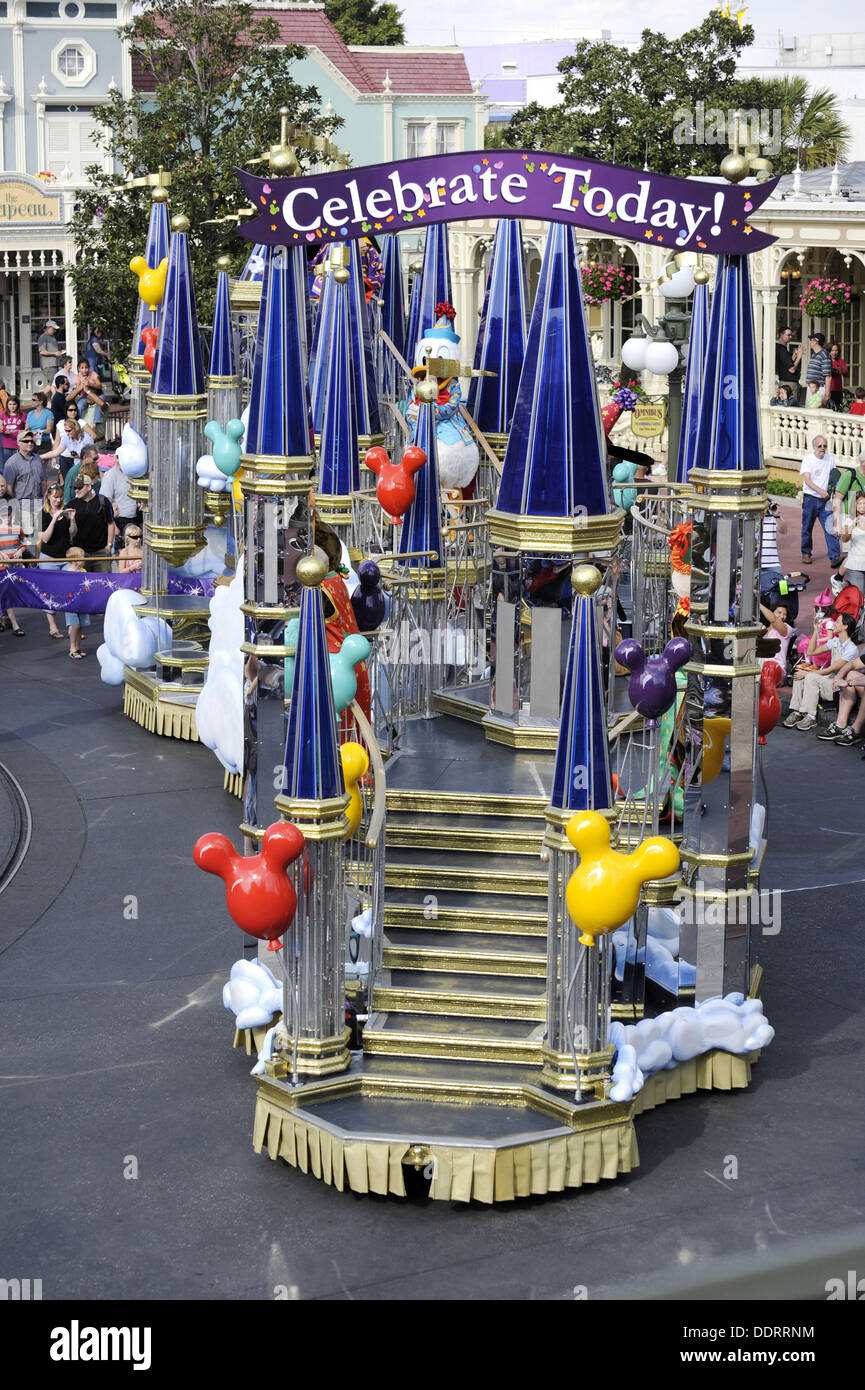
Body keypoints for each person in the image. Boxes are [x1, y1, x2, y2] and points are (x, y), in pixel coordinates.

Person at [782, 612, 859, 730]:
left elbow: (831, 669)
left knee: (809, 676)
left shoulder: (851, 649)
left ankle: (811, 716)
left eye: (838, 621)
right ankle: (797, 712)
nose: (834, 623)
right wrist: (815, 631)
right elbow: (811, 651)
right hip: (829, 680)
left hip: (839, 687)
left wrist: (807, 673)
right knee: (799, 674)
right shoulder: (835, 642)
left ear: (845, 626)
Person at [799, 435, 841, 567]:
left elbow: (834, 475)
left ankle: (835, 556)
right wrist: (821, 491)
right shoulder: (808, 459)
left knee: (829, 528)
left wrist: (833, 489)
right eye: (820, 446)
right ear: (814, 447)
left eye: (824, 446)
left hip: (825, 501)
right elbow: (807, 480)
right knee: (807, 528)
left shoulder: (830, 458)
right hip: (811, 498)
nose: (822, 448)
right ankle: (806, 553)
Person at [37, 482, 71, 640]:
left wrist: (73, 520)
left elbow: (73, 534)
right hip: (49, 557)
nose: (58, 501)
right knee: (50, 592)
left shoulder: (65, 512)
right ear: (48, 497)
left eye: (60, 498)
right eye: (55, 497)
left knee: (70, 590)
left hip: (65, 557)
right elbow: (45, 538)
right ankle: (52, 626)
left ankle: (73, 627)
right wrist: (54, 519)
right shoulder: (43, 513)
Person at [68, 471, 114, 571]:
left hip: (101, 552)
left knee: (103, 583)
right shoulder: (71, 505)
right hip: (80, 553)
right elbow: (70, 532)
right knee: (81, 584)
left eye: (79, 487)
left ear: (89, 487)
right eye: (75, 488)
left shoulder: (103, 501)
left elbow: (110, 524)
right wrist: (72, 521)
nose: (76, 490)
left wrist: (109, 546)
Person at [99, 452, 140, 545]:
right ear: (116, 459)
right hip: (120, 519)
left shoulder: (133, 472)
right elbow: (104, 500)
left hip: (134, 517)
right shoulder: (110, 475)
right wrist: (114, 526)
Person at [0, 498, 27, 636]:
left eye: (9, 515)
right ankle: (13, 624)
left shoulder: (18, 528)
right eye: (4, 516)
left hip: (12, 568)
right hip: (1, 568)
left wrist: (20, 551)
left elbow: (23, 543)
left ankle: (14, 624)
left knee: (8, 595)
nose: (7, 518)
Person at [63, 546, 90, 658]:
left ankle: (78, 648)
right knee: (75, 625)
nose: (84, 559)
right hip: (71, 603)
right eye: (82, 558)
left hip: (82, 602)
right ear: (75, 560)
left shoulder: (84, 571)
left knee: (81, 626)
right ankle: (72, 648)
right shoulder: (67, 572)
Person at [42, 413, 86, 482]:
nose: (67, 433)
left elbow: (92, 456)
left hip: (86, 468)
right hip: (76, 467)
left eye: (69, 431)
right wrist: (40, 456)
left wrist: (79, 456)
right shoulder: (67, 438)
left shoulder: (86, 438)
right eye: (65, 431)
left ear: (76, 429)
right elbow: (55, 452)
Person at [3, 429, 46, 500]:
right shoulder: (11, 463)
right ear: (18, 443)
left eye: (31, 441)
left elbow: (43, 481)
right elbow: (8, 487)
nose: (30, 443)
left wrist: (44, 499)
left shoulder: (38, 459)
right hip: (22, 503)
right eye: (26, 441)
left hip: (38, 501)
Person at [840, 492, 865, 594]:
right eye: (859, 503)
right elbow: (845, 539)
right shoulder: (849, 520)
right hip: (856, 565)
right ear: (854, 505)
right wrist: (853, 523)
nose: (862, 506)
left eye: (864, 503)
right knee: (858, 597)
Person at [761, 500, 787, 589]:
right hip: (753, 563)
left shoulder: (772, 514)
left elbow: (784, 531)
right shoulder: (748, 514)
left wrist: (777, 515)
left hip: (772, 562)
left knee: (783, 590)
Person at [775, 325, 803, 402]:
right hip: (789, 384)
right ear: (781, 335)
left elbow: (786, 364)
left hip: (785, 382)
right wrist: (799, 356)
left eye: (791, 335)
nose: (790, 337)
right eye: (788, 335)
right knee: (791, 405)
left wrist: (795, 355)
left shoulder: (781, 349)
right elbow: (792, 369)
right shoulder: (781, 350)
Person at [805, 332, 832, 408]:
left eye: (811, 340)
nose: (810, 342)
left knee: (815, 412)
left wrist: (827, 395)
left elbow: (828, 376)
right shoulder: (814, 354)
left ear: (816, 341)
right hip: (811, 388)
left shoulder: (824, 355)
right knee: (808, 412)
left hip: (819, 389)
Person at [25, 391, 55, 455]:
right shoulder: (30, 413)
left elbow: (49, 430)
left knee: (42, 463)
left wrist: (37, 432)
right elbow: (27, 428)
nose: (32, 401)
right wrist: (31, 434)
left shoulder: (48, 413)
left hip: (44, 442)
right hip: (31, 442)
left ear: (41, 402)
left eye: (34, 400)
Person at [0, 395, 24, 463]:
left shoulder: (23, 415)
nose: (12, 406)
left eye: (14, 404)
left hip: (18, 444)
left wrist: (22, 432)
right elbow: (0, 427)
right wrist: (4, 431)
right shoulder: (3, 415)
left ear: (17, 404)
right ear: (7, 405)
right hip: (6, 444)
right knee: (7, 465)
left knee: (18, 465)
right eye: (10, 404)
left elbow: (27, 428)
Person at [827, 341, 848, 411]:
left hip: (837, 390)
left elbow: (846, 375)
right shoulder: (826, 361)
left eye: (836, 350)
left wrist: (841, 369)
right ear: (829, 351)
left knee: (836, 410)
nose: (834, 352)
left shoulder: (840, 361)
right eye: (832, 350)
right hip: (827, 389)